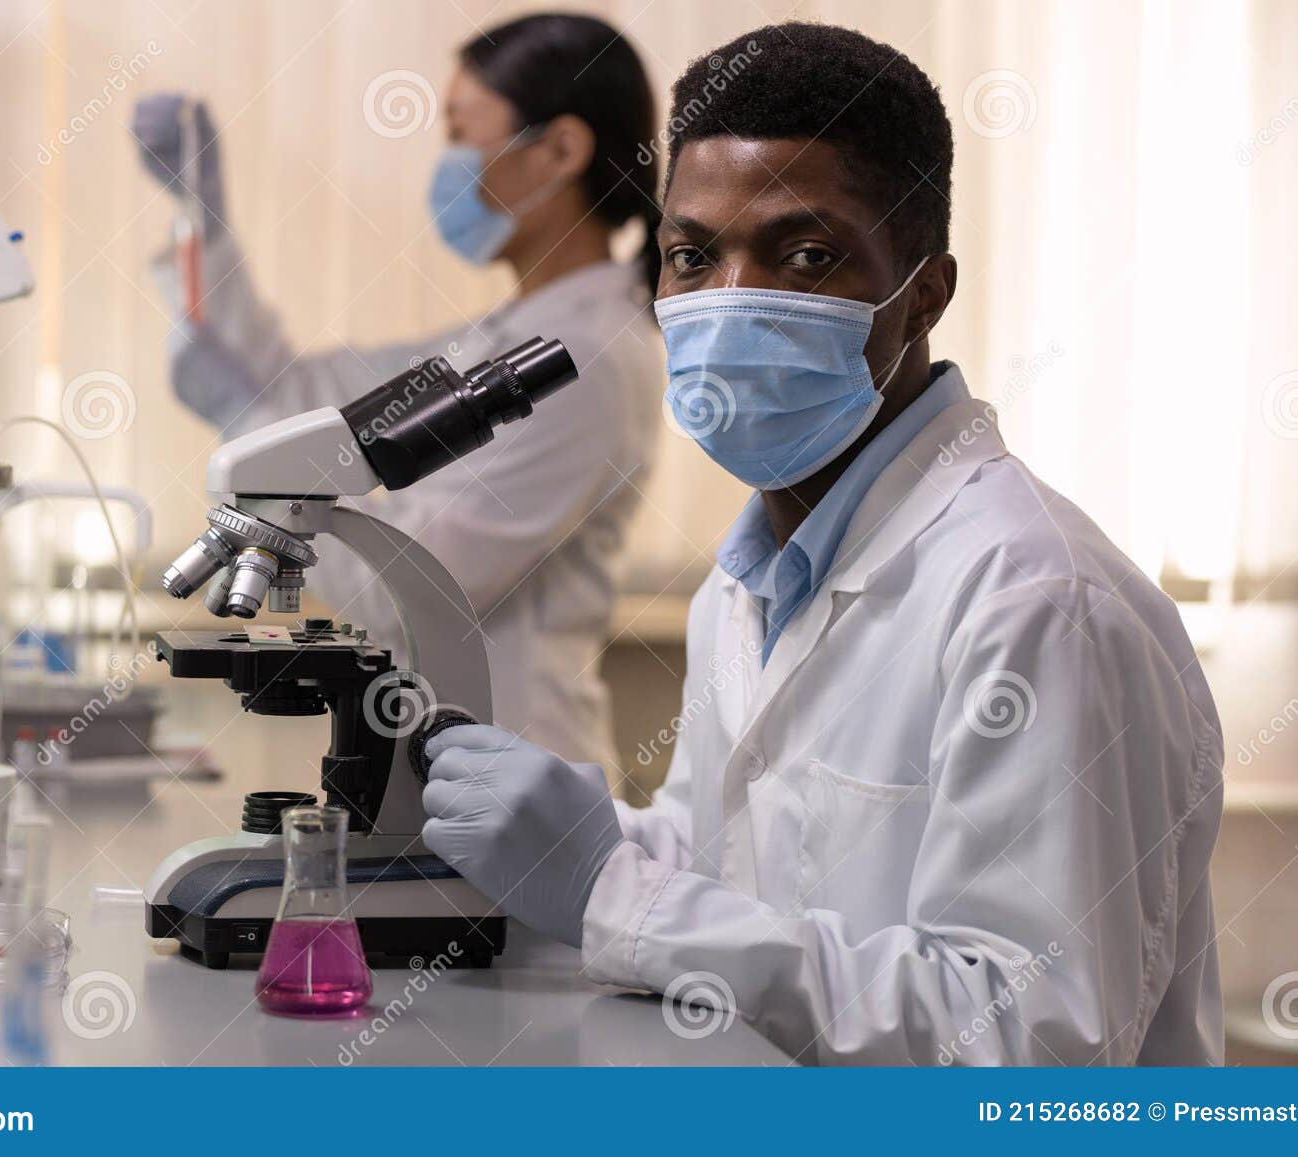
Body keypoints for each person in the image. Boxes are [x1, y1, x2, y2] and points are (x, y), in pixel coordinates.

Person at [420, 22, 1225, 1065]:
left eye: (805, 255)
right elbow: (731, 866)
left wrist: (611, 891)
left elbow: (1028, 1044)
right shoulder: (748, 579)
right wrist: (556, 844)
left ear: (924, 291)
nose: (730, 299)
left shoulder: (1036, 600)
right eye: (691, 256)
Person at [132, 13, 662, 769]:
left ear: (560, 152)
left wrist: (253, 428)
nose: (448, 166)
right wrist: (202, 220)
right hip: (458, 765)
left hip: (520, 773)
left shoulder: (587, 361)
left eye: (461, 133)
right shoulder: (511, 336)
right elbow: (311, 392)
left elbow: (411, 591)